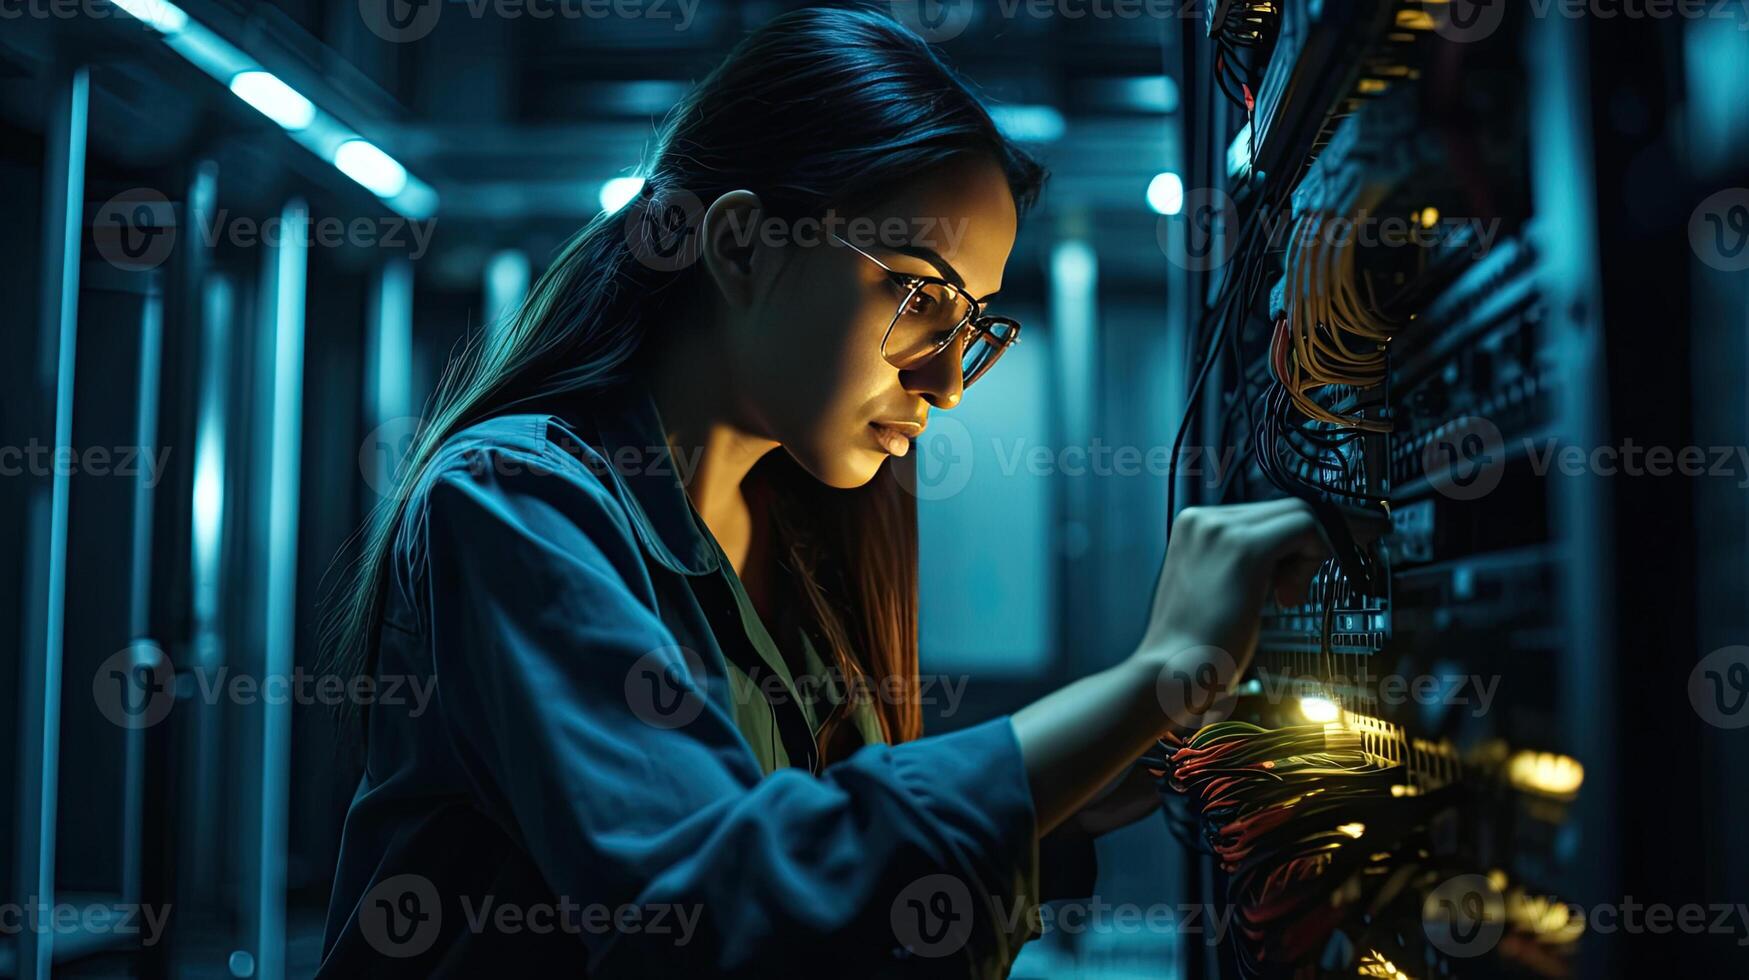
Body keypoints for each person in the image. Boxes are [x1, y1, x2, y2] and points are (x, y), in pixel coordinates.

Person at [317, 8, 1350, 977]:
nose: (946, 380)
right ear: (739, 246)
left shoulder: (805, 541)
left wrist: (1073, 791)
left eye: (973, 325)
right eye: (920, 297)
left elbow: (835, 882)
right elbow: (717, 911)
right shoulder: (513, 500)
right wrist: (1157, 672)